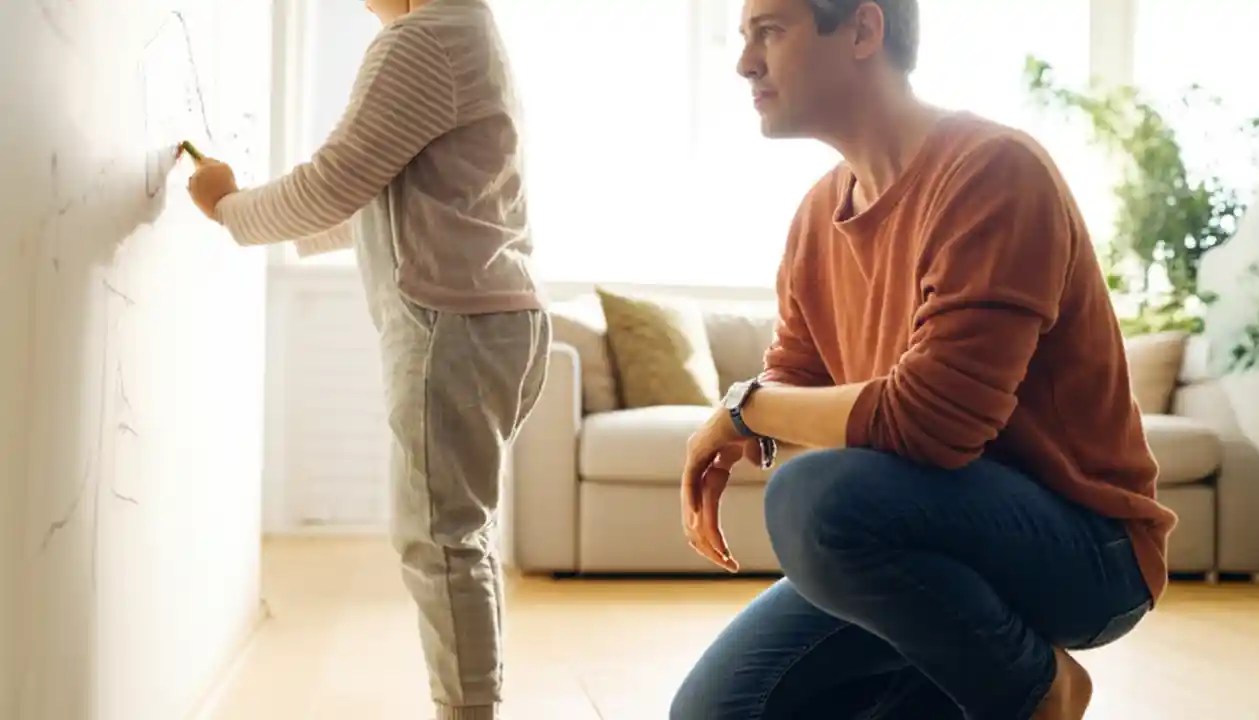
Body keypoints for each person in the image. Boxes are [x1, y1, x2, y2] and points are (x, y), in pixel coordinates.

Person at [671, 1, 1177, 718]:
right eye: (745, 37)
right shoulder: (818, 215)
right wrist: (759, 416)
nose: (745, 62)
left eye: (771, 32)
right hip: (928, 539)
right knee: (714, 713)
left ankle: (1040, 690)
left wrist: (743, 410)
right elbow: (797, 374)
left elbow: (935, 424)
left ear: (863, 30)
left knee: (814, 501)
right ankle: (969, 676)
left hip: (1086, 548)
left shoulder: (994, 173)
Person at [187, 1, 546, 718]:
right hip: (499, 319)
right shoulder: (469, 30)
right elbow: (391, 192)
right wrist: (268, 218)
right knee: (460, 536)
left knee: (441, 542)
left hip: (451, 326)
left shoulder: (421, 39)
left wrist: (228, 208)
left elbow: (332, 183)